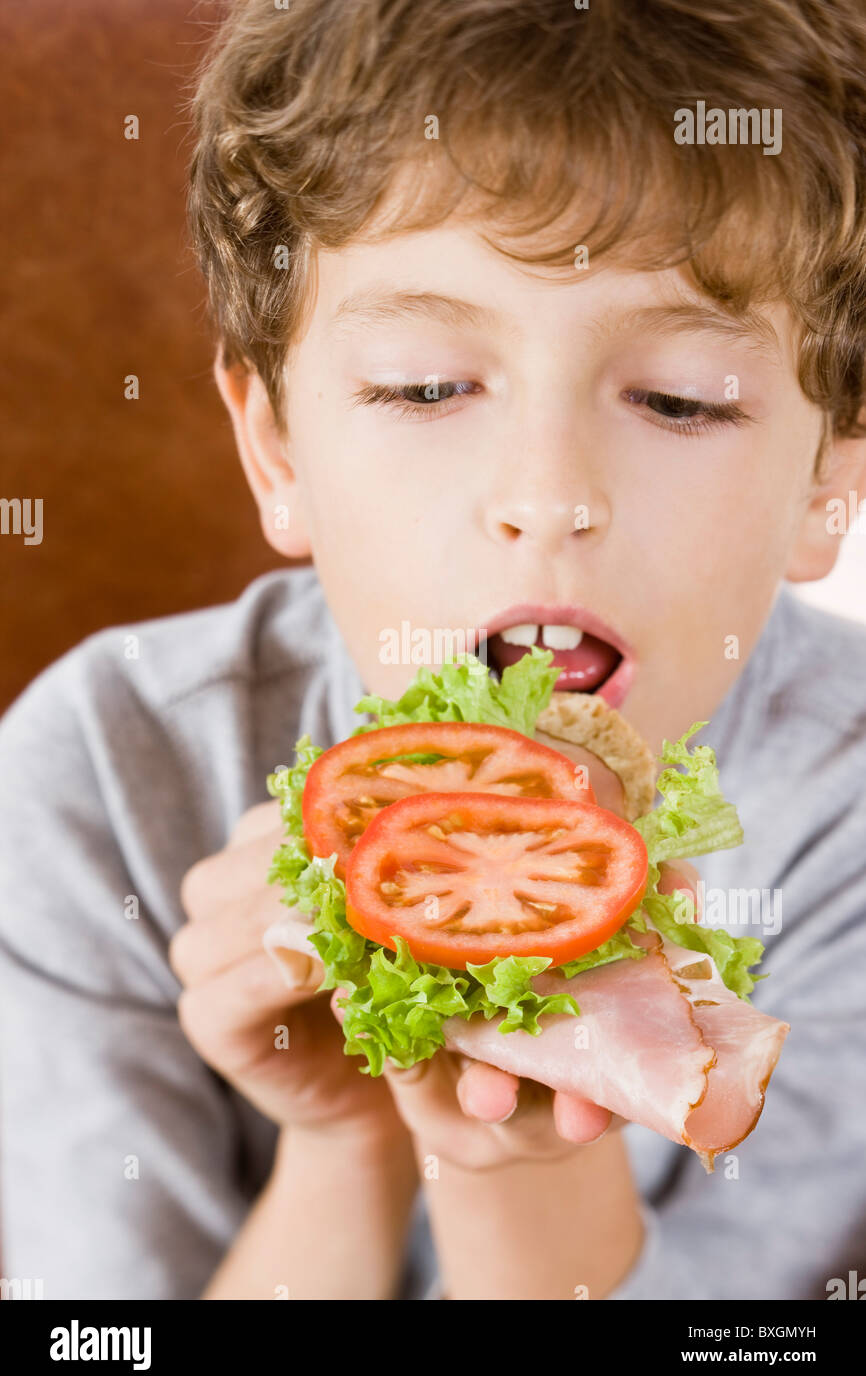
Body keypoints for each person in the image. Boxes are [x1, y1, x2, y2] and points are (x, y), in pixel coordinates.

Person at [1, 0, 866, 1301]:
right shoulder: (97, 778)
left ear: (827, 481)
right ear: (276, 449)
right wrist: (342, 1137)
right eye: (423, 385)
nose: (546, 492)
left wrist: (513, 1167)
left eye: (680, 398)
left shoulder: (842, 826)